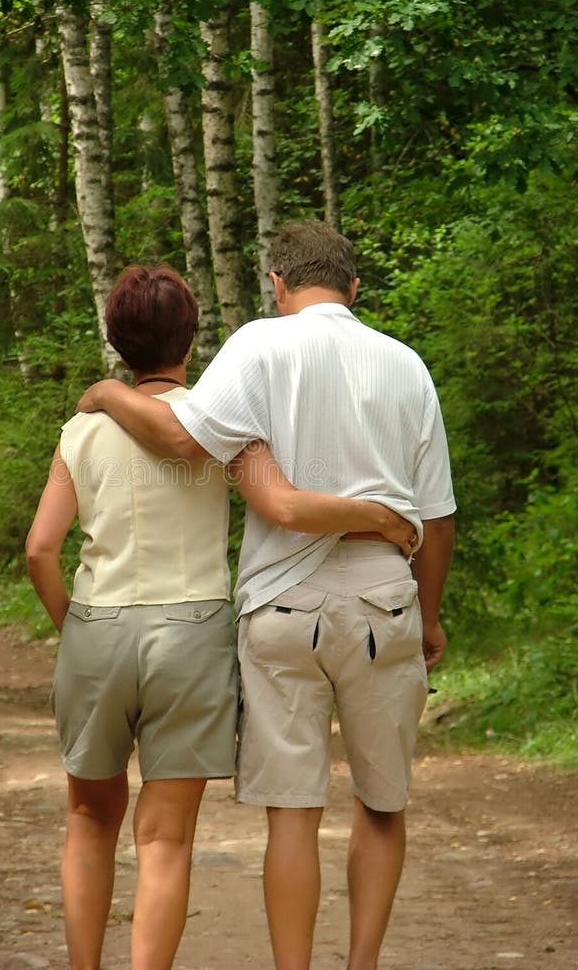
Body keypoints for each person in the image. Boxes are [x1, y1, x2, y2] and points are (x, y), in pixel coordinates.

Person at [77, 223, 456, 970]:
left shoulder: (259, 345)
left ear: (277, 284)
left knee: (293, 815)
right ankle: (363, 964)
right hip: (384, 592)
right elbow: (437, 518)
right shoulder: (406, 365)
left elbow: (183, 438)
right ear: (354, 288)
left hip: (283, 606)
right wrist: (431, 615)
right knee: (382, 807)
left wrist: (107, 395)